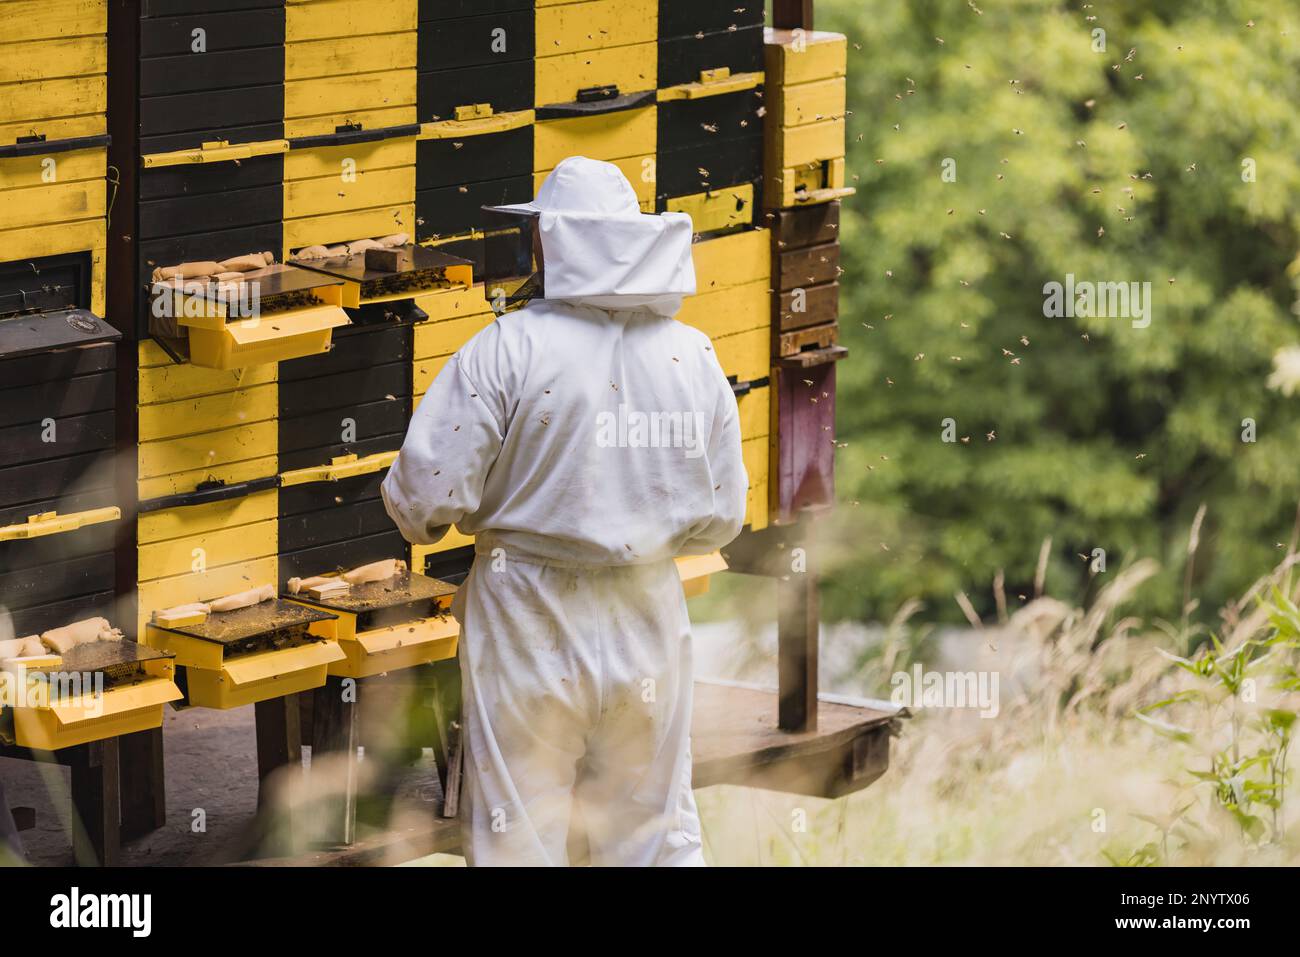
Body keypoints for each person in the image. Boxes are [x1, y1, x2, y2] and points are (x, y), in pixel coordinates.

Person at [382, 156, 748, 866]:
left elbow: (423, 502)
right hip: (648, 611)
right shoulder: (692, 355)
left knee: (521, 840)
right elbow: (724, 518)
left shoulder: (505, 348)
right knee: (653, 839)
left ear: (550, 243)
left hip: (527, 620)